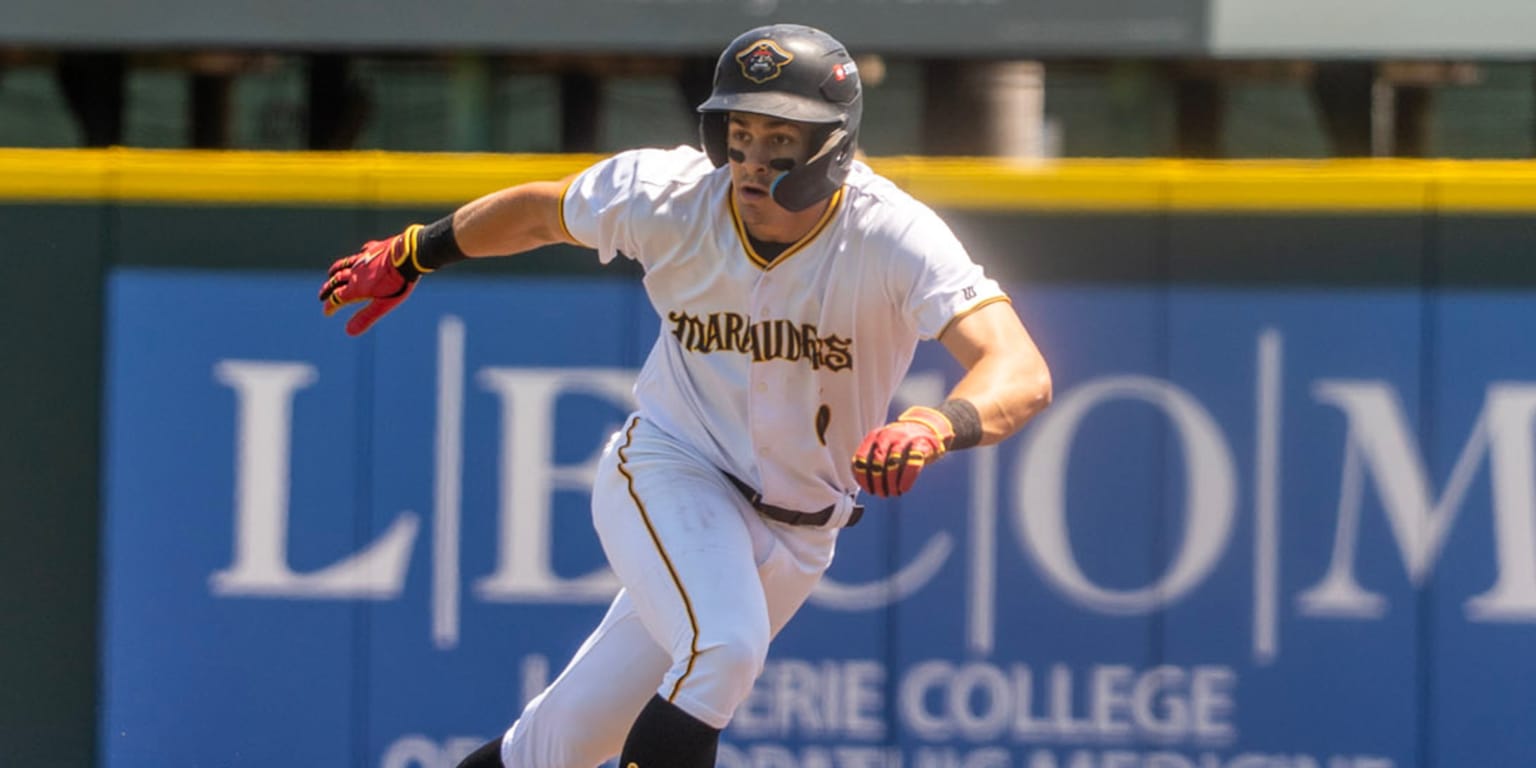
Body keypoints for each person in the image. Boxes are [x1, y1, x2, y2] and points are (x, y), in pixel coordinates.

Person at [318, 22, 1052, 768]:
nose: (752, 163)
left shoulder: (892, 235)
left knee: (560, 744)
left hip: (803, 532)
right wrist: (419, 251)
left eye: (779, 141)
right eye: (739, 135)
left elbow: (1018, 367)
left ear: (832, 146)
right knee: (725, 652)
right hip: (675, 467)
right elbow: (542, 211)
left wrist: (937, 423)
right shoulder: (668, 195)